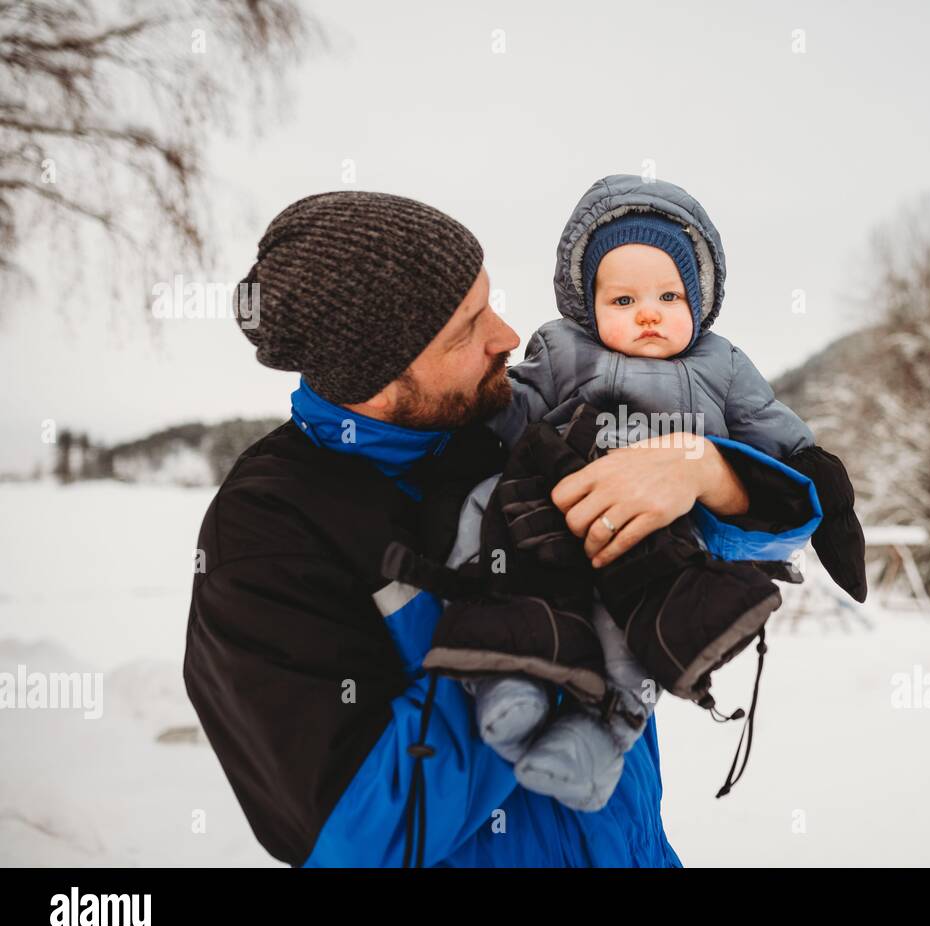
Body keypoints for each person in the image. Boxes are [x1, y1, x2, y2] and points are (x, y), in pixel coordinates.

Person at [182, 189, 824, 867]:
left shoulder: (514, 428)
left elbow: (763, 542)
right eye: (467, 327)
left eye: (489, 300)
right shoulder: (266, 534)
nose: (508, 336)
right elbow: (360, 831)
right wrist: (545, 631)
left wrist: (712, 475)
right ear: (375, 375)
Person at [394, 175, 866, 814]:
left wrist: (827, 488)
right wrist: (456, 432)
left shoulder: (723, 365)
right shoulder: (561, 351)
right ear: (588, 305)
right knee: (507, 562)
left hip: (662, 534)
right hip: (561, 508)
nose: (648, 313)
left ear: (699, 302)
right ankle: (510, 680)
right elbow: (510, 410)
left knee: (630, 634)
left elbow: (778, 438)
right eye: (622, 299)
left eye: (669, 295)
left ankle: (602, 737)